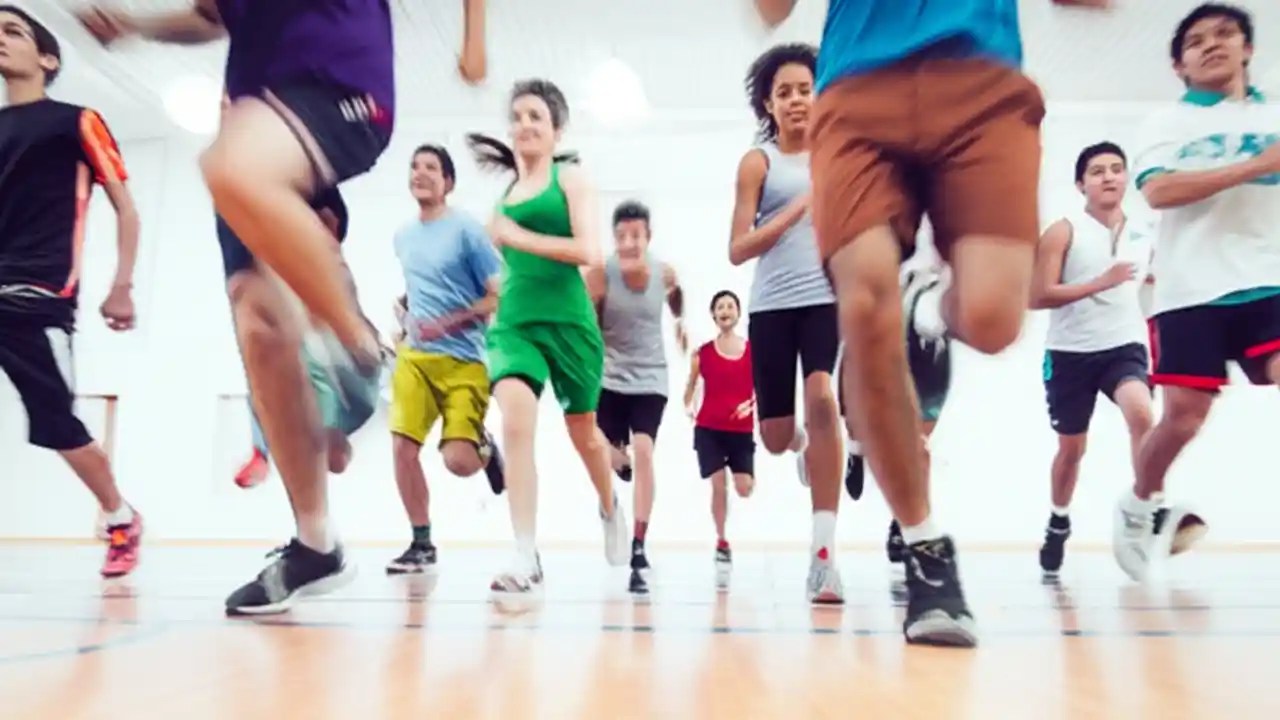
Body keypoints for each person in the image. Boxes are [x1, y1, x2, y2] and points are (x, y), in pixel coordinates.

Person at [79, 0, 485, 615]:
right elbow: (210, 17)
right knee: (258, 320)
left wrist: (473, 41)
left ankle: (359, 348)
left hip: (337, 85)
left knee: (232, 166)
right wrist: (137, 28)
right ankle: (316, 543)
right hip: (254, 113)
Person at [754, 0, 1113, 647]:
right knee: (864, 307)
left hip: (980, 79)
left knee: (994, 319)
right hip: (858, 88)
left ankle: (927, 304)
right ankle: (925, 547)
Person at [1121, 2, 1277, 581]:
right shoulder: (1167, 124)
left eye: (1226, 34)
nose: (1213, 44)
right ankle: (1139, 502)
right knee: (1184, 419)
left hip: (1268, 278)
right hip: (1191, 289)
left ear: (1248, 48)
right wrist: (1251, 166)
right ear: (1179, 65)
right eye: (1197, 41)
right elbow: (1159, 193)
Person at [467, 79, 629, 593]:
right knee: (515, 423)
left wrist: (517, 237)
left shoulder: (571, 179)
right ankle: (524, 556)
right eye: (517, 117)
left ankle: (609, 504)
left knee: (585, 434)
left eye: (536, 116)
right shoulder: (505, 198)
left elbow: (590, 253)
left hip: (570, 322)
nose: (524, 125)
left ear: (556, 129)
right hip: (514, 323)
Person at [0, 6, 143, 577]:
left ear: (47, 58)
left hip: (39, 294)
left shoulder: (76, 121)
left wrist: (122, 286)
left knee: (59, 423)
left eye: (12, 32)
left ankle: (119, 516)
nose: (1, 41)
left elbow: (126, 208)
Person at [729, 43, 843, 605]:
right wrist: (799, 208)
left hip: (827, 299)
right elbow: (737, 248)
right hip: (771, 305)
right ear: (768, 105)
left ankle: (823, 557)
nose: (797, 100)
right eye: (785, 93)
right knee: (774, 438)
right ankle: (799, 444)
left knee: (823, 398)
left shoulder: (839, 155)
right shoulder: (760, 163)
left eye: (806, 89)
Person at [1030, 142, 1156, 577]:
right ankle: (1058, 520)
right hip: (1070, 355)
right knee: (1072, 450)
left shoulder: (1145, 232)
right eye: (1098, 171)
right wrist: (1100, 282)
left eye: (1116, 169)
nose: (1108, 177)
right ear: (1081, 183)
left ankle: (1144, 508)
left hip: (1123, 346)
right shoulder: (1064, 231)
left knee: (1142, 414)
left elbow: (1155, 286)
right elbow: (1037, 295)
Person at [386, 144, 506, 575]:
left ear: (448, 182)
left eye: (431, 168)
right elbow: (421, 289)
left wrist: (449, 322)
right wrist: (406, 319)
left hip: (464, 361)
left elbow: (497, 295)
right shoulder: (402, 236)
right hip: (415, 358)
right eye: (414, 166)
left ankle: (486, 450)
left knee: (458, 462)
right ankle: (421, 544)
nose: (420, 173)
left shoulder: (468, 232)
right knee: (402, 448)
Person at [585, 200, 687, 586]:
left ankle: (640, 544)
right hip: (610, 378)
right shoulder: (600, 275)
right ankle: (617, 471)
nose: (629, 243)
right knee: (605, 454)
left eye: (636, 236)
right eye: (622, 236)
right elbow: (589, 329)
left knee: (644, 451)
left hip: (650, 379)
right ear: (614, 238)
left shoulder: (665, 273)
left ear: (648, 238)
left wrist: (680, 320)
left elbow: (676, 298)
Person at [840, 255, 955, 566]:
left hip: (929, 351)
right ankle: (856, 448)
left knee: (918, 448)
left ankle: (906, 527)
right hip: (886, 333)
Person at [683, 290, 755, 584]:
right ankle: (722, 541)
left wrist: (752, 404)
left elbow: (761, 388)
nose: (725, 310)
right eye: (720, 307)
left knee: (744, 488)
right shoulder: (702, 354)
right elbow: (689, 390)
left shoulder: (753, 351)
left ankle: (747, 479)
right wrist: (688, 408)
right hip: (709, 430)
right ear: (714, 315)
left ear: (738, 313)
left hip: (741, 431)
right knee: (718, 486)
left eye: (730, 306)